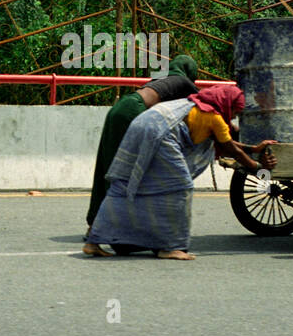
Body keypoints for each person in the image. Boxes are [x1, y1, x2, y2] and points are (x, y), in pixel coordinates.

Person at [85, 85, 277, 260]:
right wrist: (257, 167)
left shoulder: (193, 105)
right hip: (163, 134)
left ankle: (93, 241)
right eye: (235, 111)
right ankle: (169, 246)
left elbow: (226, 142)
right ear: (226, 103)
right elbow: (230, 148)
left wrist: (254, 148)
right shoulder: (215, 117)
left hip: (144, 123)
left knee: (125, 184)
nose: (234, 116)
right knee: (180, 186)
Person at [85, 54, 199, 231]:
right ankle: (116, 226)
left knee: (107, 165)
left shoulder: (161, 78)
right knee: (129, 172)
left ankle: (94, 224)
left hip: (120, 107)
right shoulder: (184, 84)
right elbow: (201, 108)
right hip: (135, 112)